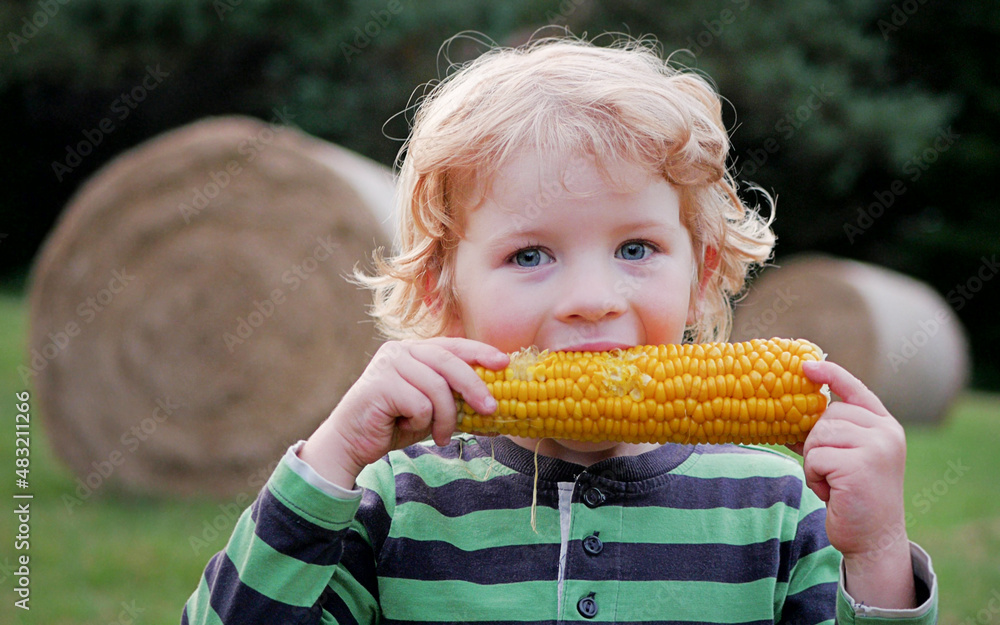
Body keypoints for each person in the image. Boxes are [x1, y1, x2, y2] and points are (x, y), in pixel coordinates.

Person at [182, 32, 937, 624]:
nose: (591, 298)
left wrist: (875, 551)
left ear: (702, 273)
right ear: (442, 292)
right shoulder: (394, 505)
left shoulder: (777, 508)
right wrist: (328, 462)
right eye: (530, 253)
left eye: (636, 248)